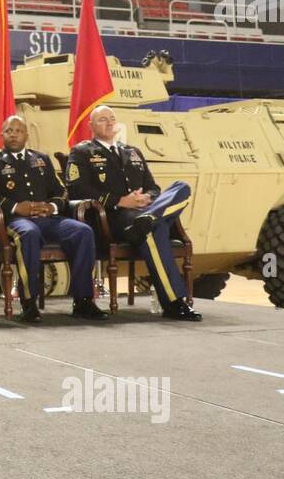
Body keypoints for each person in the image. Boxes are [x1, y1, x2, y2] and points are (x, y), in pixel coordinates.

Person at [65, 105, 201, 321]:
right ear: (91, 125)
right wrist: (121, 201)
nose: (109, 123)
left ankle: (151, 217)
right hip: (115, 220)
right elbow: (77, 190)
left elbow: (153, 188)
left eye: (112, 118)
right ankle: (174, 303)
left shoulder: (133, 152)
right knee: (154, 231)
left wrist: (147, 198)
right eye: (102, 120)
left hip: (144, 212)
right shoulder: (82, 152)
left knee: (181, 187)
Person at [0, 116, 105, 323]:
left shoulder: (41, 159)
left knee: (83, 231)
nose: (14, 134)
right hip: (16, 221)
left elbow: (61, 191)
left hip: (48, 219)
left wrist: (51, 206)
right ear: (2, 135)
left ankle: (83, 301)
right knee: (29, 234)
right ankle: (29, 303)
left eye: (19, 131)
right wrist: (17, 207)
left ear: (26, 135)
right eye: (9, 131)